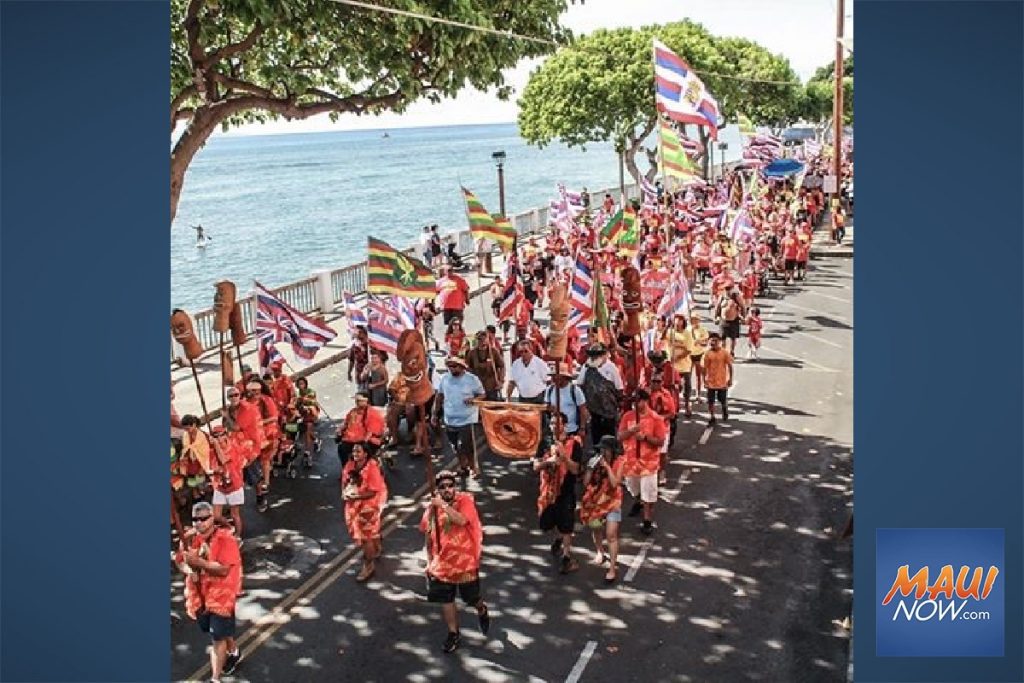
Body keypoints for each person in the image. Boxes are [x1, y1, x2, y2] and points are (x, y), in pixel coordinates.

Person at [421, 470, 490, 653]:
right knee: (446, 598)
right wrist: (429, 562)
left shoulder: (465, 502)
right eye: (442, 487)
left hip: (465, 563)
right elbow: (428, 538)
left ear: (455, 487)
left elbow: (461, 520)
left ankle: (481, 609)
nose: (447, 490)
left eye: (450, 486)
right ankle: (453, 633)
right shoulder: (431, 509)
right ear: (438, 490)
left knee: (471, 598)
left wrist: (442, 505)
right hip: (443, 564)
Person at [175, 501, 243, 682]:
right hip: (200, 595)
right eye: (195, 519)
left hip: (221, 596)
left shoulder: (225, 539)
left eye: (204, 518)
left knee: (216, 638)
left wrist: (200, 565)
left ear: (212, 518)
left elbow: (223, 570)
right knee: (217, 631)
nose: (199, 523)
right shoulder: (189, 538)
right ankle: (234, 652)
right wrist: (189, 570)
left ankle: (214, 678)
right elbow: (180, 560)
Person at [533, 412, 584, 574]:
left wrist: (565, 459)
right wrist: (548, 461)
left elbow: (576, 469)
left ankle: (567, 557)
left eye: (558, 423)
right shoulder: (544, 443)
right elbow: (535, 466)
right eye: (552, 423)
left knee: (567, 524)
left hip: (566, 490)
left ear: (565, 426)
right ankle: (558, 537)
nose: (555, 426)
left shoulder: (574, 444)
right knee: (551, 521)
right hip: (548, 490)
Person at [618, 388, 667, 535]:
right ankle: (638, 500)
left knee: (648, 491)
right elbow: (620, 436)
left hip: (649, 462)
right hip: (631, 462)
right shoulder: (627, 417)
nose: (635, 404)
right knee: (633, 487)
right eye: (633, 401)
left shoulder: (656, 419)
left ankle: (647, 520)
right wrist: (631, 431)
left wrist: (645, 437)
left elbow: (660, 441)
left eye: (638, 401)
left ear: (645, 401)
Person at [579, 435, 626, 583]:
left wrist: (607, 467)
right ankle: (600, 551)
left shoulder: (620, 462)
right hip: (595, 500)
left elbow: (615, 484)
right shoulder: (594, 460)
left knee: (611, 534)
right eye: (601, 449)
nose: (603, 452)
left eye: (605, 449)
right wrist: (590, 469)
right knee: (596, 528)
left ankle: (612, 568)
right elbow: (586, 483)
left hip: (613, 501)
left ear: (612, 450)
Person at [341, 442, 388, 582]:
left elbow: (373, 491)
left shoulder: (372, 468)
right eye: (354, 451)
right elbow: (345, 482)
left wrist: (357, 496)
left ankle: (368, 565)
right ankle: (376, 544)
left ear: (365, 454)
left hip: (369, 505)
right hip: (354, 504)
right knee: (367, 534)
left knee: (365, 537)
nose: (355, 454)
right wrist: (345, 492)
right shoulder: (350, 465)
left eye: (359, 452)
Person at [433, 356, 486, 478]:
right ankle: (463, 467)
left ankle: (474, 468)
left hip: (467, 419)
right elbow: (439, 397)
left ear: (462, 367)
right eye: (449, 366)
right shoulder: (444, 379)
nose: (452, 369)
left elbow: (482, 395)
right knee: (455, 447)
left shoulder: (472, 379)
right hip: (449, 419)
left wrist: (473, 400)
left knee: (467, 446)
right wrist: (435, 414)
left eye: (455, 366)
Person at [577, 343, 624, 445]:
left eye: (597, 355)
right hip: (593, 411)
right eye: (592, 355)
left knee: (609, 438)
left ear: (603, 355)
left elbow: (619, 388)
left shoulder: (612, 368)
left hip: (609, 411)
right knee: (596, 437)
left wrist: (620, 408)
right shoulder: (586, 367)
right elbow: (580, 384)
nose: (594, 357)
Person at [210, 426, 245, 541]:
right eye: (216, 437)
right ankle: (230, 528)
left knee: (235, 514)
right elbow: (211, 465)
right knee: (217, 516)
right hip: (220, 486)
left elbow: (224, 460)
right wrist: (215, 470)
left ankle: (238, 535)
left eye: (221, 435)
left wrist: (215, 445)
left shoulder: (233, 447)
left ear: (226, 435)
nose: (219, 439)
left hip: (234, 485)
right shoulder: (212, 451)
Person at [336, 390, 385, 467]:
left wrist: (361, 444)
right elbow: (346, 422)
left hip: (366, 441)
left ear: (366, 401)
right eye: (356, 401)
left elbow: (371, 432)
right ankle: (346, 470)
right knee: (342, 448)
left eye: (359, 401)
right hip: (350, 439)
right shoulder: (353, 411)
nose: (357, 402)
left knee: (361, 452)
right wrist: (339, 430)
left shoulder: (372, 414)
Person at [663, 314, 695, 418]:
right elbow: (661, 338)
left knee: (686, 387)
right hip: (672, 367)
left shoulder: (687, 334)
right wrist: (666, 327)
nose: (677, 322)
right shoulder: (670, 332)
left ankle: (687, 406)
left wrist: (677, 357)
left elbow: (688, 350)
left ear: (683, 322)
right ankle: (673, 407)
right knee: (671, 388)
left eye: (679, 320)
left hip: (684, 366)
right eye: (676, 320)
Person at [543, 366, 589, 437]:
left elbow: (583, 410)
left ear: (564, 377)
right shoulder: (550, 389)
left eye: (557, 376)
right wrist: (550, 408)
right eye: (553, 376)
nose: (554, 379)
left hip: (572, 429)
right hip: (555, 429)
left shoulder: (575, 390)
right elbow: (546, 406)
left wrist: (582, 428)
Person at [703, 333, 734, 425]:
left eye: (715, 341)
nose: (713, 342)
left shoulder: (724, 353)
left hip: (722, 382)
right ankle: (712, 416)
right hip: (711, 382)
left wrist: (730, 379)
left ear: (719, 342)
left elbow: (730, 366)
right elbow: (705, 368)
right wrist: (704, 380)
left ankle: (724, 409)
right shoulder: (707, 354)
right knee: (710, 401)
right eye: (712, 340)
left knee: (722, 399)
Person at [465, 330, 505, 401]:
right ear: (476, 340)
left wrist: (501, 381)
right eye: (479, 339)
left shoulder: (493, 351)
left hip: (491, 387)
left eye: (484, 339)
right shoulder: (472, 353)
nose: (482, 341)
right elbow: (467, 368)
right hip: (477, 387)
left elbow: (502, 366)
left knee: (491, 409)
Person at [506, 340, 549, 404]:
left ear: (531, 351)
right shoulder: (516, 364)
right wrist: (508, 398)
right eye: (521, 352)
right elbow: (512, 382)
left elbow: (548, 381)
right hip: (523, 398)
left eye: (526, 351)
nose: (523, 354)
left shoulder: (540, 363)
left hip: (538, 398)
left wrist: (548, 399)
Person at [717, 290, 746, 356]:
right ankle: (723, 352)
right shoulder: (722, 297)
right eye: (727, 288)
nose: (728, 290)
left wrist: (743, 317)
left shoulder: (736, 297)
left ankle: (731, 351)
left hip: (734, 320)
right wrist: (716, 317)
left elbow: (743, 307)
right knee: (722, 338)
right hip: (723, 320)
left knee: (733, 338)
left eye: (729, 288)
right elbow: (718, 307)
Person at [689, 312, 710, 400]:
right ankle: (688, 393)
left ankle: (698, 394)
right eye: (693, 319)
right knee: (688, 375)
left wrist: (699, 342)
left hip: (699, 354)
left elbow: (706, 343)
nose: (694, 321)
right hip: (689, 354)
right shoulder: (688, 329)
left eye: (696, 319)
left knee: (698, 375)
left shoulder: (703, 330)